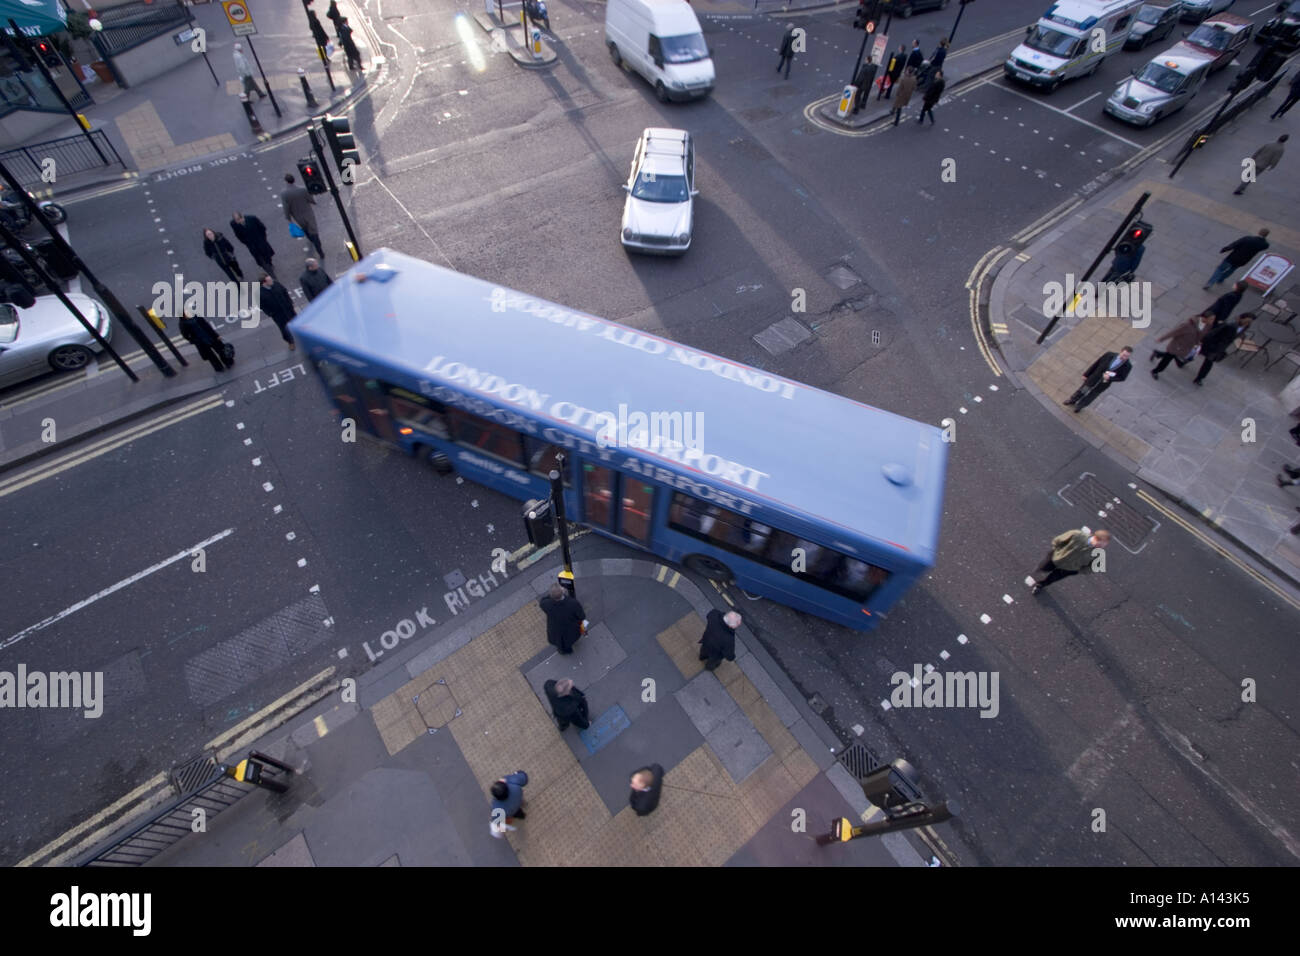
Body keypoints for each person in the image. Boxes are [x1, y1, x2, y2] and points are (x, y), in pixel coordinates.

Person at [1029, 529, 1111, 595]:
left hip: (1069, 569)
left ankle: (1040, 585)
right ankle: (1037, 572)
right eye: (1101, 545)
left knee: (1052, 578)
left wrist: (1078, 570)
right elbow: (1058, 540)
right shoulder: (1077, 535)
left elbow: (1094, 568)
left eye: (1104, 546)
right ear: (1096, 538)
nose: (1102, 547)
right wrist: (1056, 551)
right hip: (1056, 558)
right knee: (1043, 567)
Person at [1192, 312, 1253, 386]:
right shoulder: (1230, 325)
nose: (1247, 323)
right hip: (1214, 344)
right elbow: (1215, 331)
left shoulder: (1245, 327)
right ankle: (1187, 365)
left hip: (1219, 347)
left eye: (1249, 322)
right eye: (1246, 321)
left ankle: (1199, 377)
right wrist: (1203, 340)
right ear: (1241, 318)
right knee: (1201, 356)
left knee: (1208, 361)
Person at [1064, 347, 1133, 412]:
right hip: (1094, 377)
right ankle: (1072, 400)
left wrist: (1110, 378)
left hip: (1104, 383)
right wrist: (1086, 374)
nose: (1124, 357)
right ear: (1121, 351)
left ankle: (1080, 406)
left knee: (1092, 395)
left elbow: (1122, 378)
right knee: (1083, 389)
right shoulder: (1109, 355)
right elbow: (1096, 363)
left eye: (1127, 356)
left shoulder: (1128, 366)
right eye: (1124, 355)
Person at [1204, 229, 1269, 290]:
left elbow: (1235, 244)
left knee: (1220, 269)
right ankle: (1221, 279)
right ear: (1266, 235)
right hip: (1243, 260)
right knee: (1231, 270)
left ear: (1259, 232)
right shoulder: (1264, 244)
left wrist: (1225, 249)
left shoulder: (1248, 238)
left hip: (1233, 257)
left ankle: (1210, 283)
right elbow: (1266, 246)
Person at [281, 173, 325, 258]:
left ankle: (310, 239)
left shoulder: (284, 194)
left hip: (297, 216)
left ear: (286, 182)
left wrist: (288, 218)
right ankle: (320, 250)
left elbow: (286, 208)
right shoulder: (303, 189)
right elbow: (311, 200)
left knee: (305, 229)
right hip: (308, 213)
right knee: (314, 231)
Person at [539, 584, 586, 655]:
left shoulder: (546, 604)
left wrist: (552, 594)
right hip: (570, 629)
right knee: (569, 640)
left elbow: (542, 601)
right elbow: (582, 616)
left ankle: (563, 650)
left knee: (559, 641)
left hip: (555, 630)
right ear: (563, 592)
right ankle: (567, 649)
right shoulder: (572, 603)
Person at [230, 211, 276, 278]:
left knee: (267, 255)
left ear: (242, 218)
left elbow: (262, 228)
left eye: (238, 220)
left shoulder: (252, 219)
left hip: (260, 241)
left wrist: (263, 238)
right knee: (261, 260)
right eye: (236, 221)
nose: (237, 223)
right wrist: (245, 242)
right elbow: (238, 235)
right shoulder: (233, 224)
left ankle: (269, 263)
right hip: (251, 245)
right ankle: (271, 273)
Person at [258, 273, 296, 348]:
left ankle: (303, 335)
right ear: (264, 283)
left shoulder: (276, 284)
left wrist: (290, 303)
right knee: (284, 329)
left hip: (288, 309)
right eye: (269, 280)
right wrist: (271, 313)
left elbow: (285, 292)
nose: (272, 281)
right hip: (278, 315)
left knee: (297, 322)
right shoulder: (260, 294)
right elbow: (262, 306)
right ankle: (290, 342)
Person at [488, 770, 528, 837]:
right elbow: (524, 777)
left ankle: (521, 816)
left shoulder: (497, 808)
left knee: (516, 813)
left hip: (511, 812)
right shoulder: (512, 782)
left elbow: (499, 825)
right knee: (519, 807)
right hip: (518, 800)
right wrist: (513, 775)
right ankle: (522, 813)